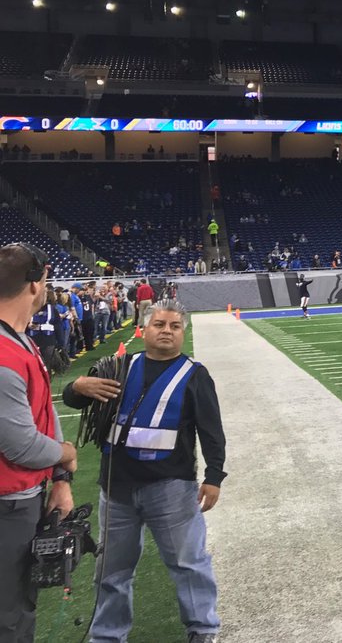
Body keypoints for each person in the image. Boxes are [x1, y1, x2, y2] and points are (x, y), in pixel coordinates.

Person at [62, 300, 225, 643]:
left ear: (183, 332)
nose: (166, 331)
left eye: (174, 326)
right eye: (160, 324)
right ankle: (107, 634)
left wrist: (214, 476)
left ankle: (202, 628)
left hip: (171, 486)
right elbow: (74, 400)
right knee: (112, 569)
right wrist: (76, 387)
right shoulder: (118, 366)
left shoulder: (194, 374)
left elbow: (211, 431)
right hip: (116, 487)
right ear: (145, 328)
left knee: (187, 562)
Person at [0, 244, 78, 643]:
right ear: (36, 284)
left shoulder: (21, 340)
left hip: (25, 497)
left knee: (21, 606)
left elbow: (43, 410)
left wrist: (61, 477)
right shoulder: (4, 353)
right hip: (7, 504)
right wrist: (66, 454)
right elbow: (22, 446)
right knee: (9, 616)